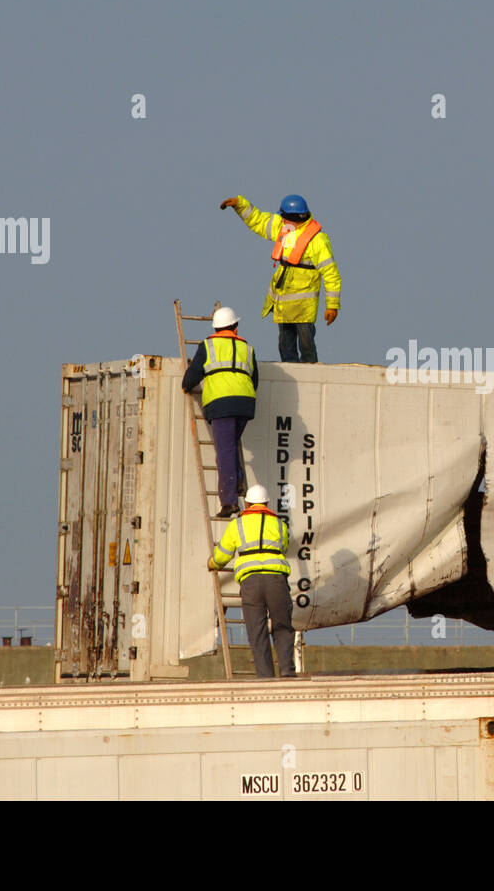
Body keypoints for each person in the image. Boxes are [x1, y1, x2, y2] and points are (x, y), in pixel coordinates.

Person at [219, 193, 341, 363]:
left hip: (303, 306)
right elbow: (259, 220)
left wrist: (332, 306)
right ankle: (292, 373)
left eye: (283, 216)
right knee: (285, 345)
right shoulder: (284, 228)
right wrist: (240, 205)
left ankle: (312, 374)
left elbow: (331, 273)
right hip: (283, 301)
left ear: (291, 216)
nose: (281, 219)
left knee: (306, 345)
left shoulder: (317, 240)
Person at [208, 485, 297, 678]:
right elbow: (284, 547)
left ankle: (265, 677)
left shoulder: (236, 525)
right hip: (277, 581)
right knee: (282, 627)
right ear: (266, 504)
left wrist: (212, 563)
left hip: (251, 583)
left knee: (257, 631)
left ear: (247, 503)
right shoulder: (280, 524)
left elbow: (223, 555)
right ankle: (287, 673)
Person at [181, 306, 257, 518]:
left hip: (221, 403)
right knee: (231, 446)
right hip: (245, 403)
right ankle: (239, 482)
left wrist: (186, 385)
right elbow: (255, 379)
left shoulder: (208, 345)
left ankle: (229, 502)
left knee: (224, 452)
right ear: (235, 326)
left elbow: (195, 372)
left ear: (215, 328)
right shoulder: (248, 348)